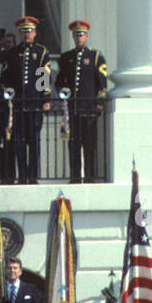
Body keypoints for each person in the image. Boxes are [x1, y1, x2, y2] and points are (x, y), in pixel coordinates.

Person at [0, 16, 51, 185]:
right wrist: (7, 91)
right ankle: (22, 176)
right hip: (18, 106)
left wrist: (45, 98)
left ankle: (33, 176)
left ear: (35, 33)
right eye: (23, 31)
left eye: (29, 31)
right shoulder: (12, 53)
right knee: (19, 143)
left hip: (35, 105)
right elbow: (5, 77)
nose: (27, 34)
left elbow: (44, 76)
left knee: (34, 142)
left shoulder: (41, 52)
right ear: (20, 34)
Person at [55, 19, 108, 183]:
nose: (79, 38)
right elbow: (59, 81)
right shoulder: (66, 57)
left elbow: (102, 82)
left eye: (82, 34)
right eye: (76, 35)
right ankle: (75, 177)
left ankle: (90, 176)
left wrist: (99, 102)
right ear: (72, 36)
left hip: (89, 108)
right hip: (72, 109)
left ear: (87, 36)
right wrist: (63, 91)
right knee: (74, 145)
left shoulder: (95, 56)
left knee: (89, 145)